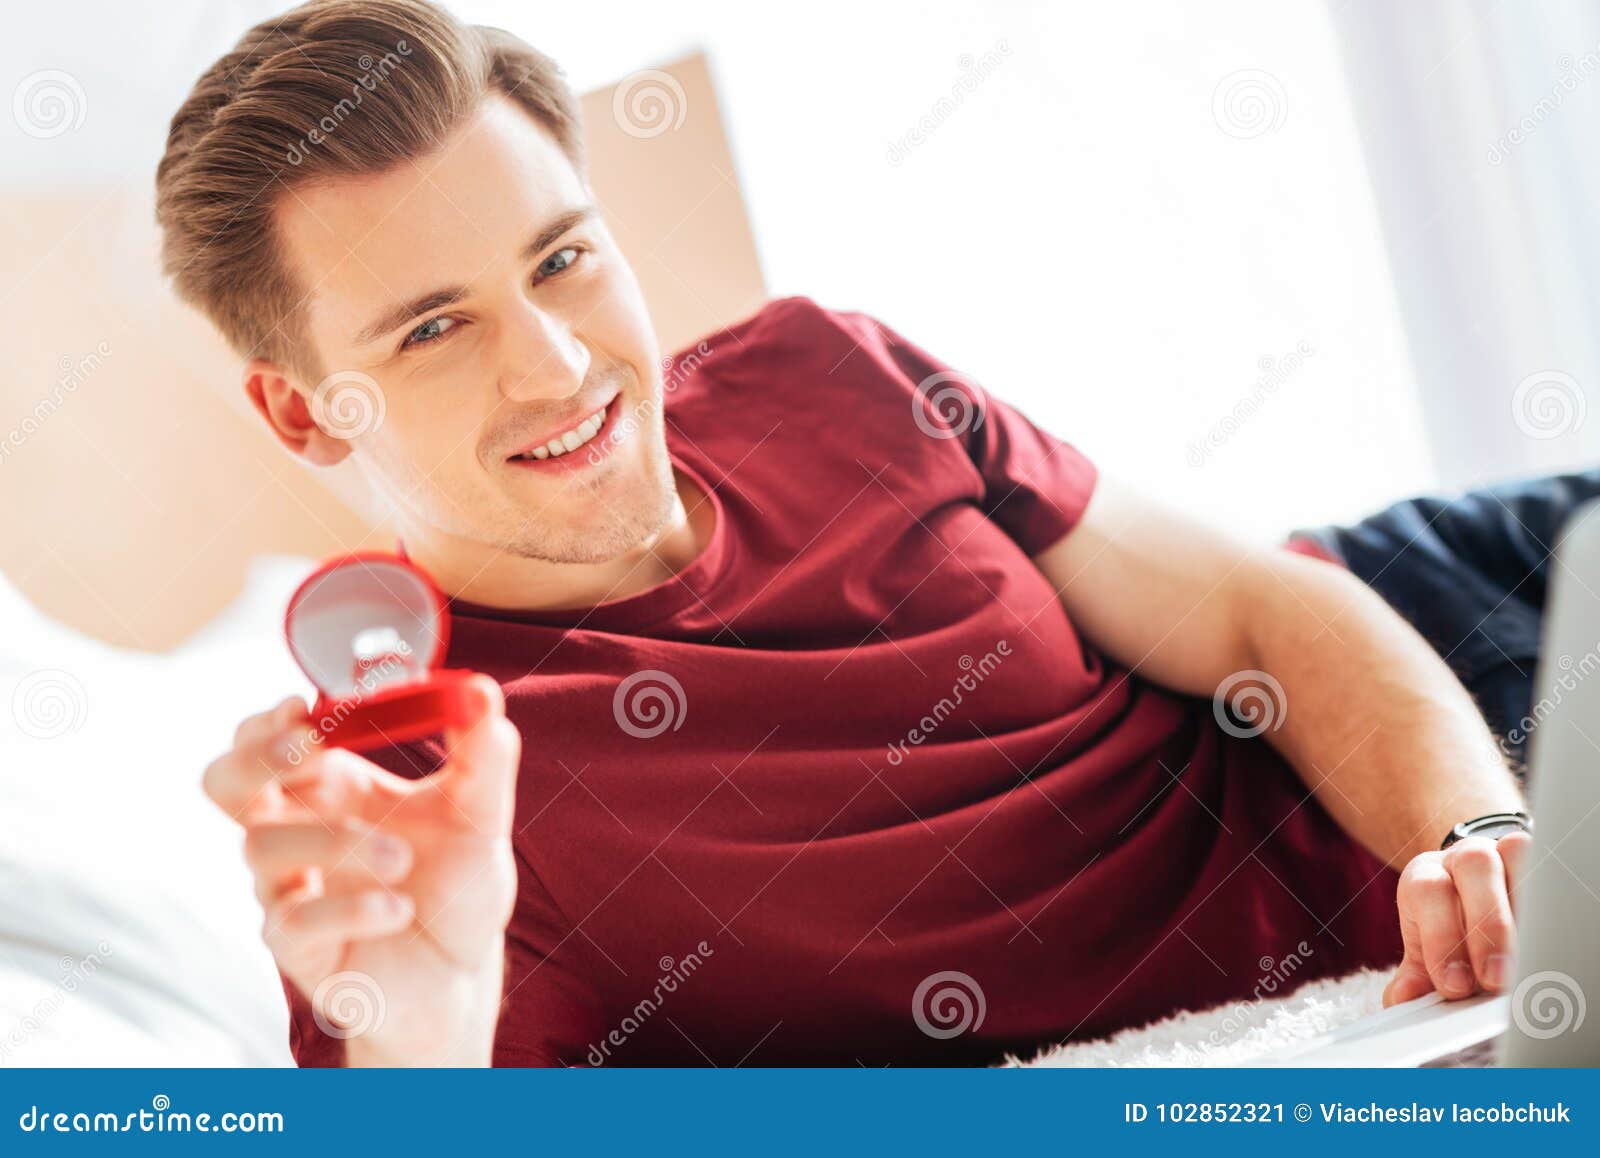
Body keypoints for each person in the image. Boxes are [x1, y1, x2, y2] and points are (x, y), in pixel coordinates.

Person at [165, 0, 1548, 1066]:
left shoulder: (820, 367)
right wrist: (423, 1040)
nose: (558, 366)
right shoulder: (417, 800)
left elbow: (1257, 603)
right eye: (432, 328)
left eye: (563, 259)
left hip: (1426, 684)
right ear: (301, 412)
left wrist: (1481, 835)